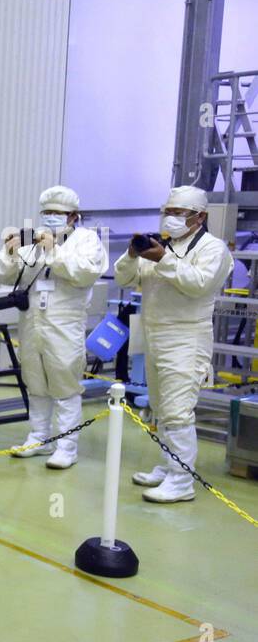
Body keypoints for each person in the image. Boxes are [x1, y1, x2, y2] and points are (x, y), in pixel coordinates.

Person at [113, 185, 234, 503]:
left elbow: (198, 284)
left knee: (178, 411)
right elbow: (125, 279)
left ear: (200, 217)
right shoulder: (160, 246)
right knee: (161, 408)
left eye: (180, 213)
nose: (172, 218)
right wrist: (132, 254)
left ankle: (182, 481)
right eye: (168, 212)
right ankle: (169, 466)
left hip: (186, 338)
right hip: (154, 334)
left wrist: (163, 259)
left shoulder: (213, 249)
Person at [0, 186, 108, 469]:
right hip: (32, 321)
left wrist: (53, 249)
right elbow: (6, 276)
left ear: (73, 216)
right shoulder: (31, 240)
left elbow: (84, 273)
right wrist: (9, 250)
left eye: (57, 213)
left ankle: (66, 445)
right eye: (46, 212)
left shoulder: (87, 240)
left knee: (64, 383)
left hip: (64, 321)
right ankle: (38, 436)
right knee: (35, 381)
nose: (50, 218)